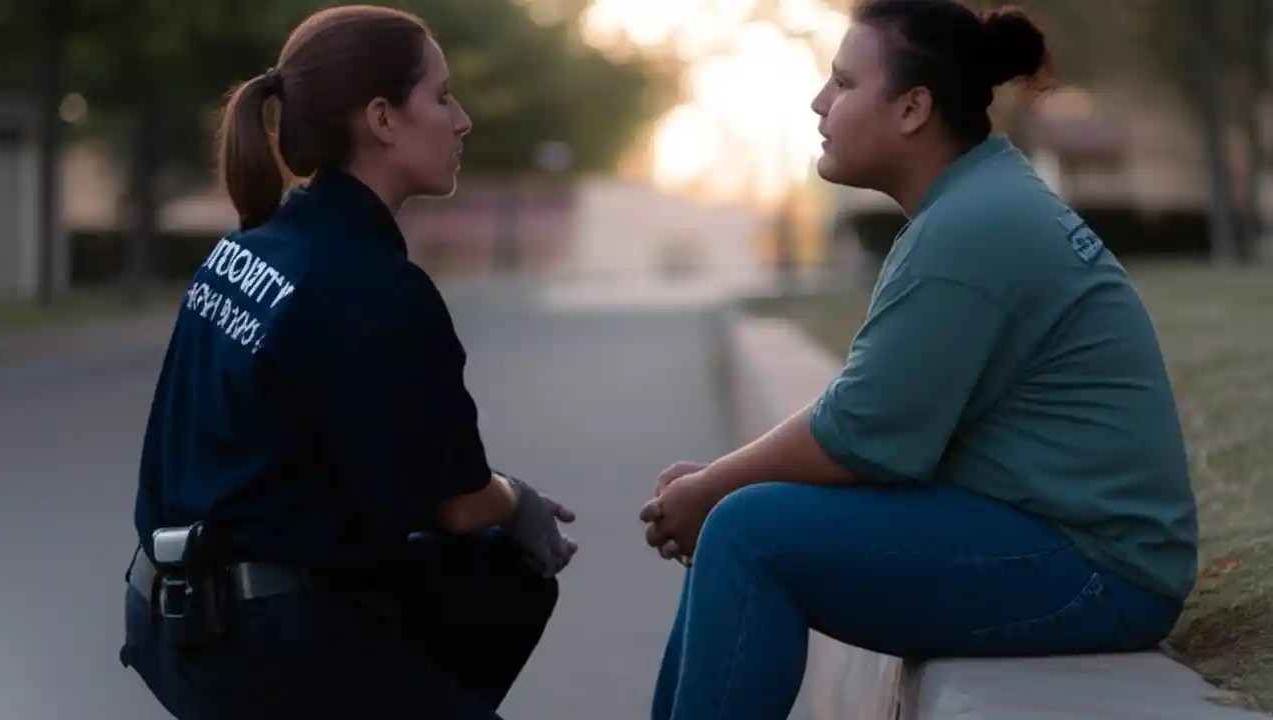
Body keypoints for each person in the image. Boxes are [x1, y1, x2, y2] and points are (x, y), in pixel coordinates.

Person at [639, 1, 1199, 718]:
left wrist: (713, 485)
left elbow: (860, 434)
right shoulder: (978, 205)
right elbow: (875, 416)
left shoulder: (971, 226)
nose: (819, 103)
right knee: (739, 520)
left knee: (748, 533)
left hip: (1098, 570)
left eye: (843, 83)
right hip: (1065, 542)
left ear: (912, 109)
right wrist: (717, 486)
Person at [119, 6, 577, 718]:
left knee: (484, 580)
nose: (462, 121)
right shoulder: (373, 288)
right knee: (505, 560)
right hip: (265, 648)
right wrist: (518, 502)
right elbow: (459, 501)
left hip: (171, 618)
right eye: (442, 96)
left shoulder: (246, 250)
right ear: (382, 119)